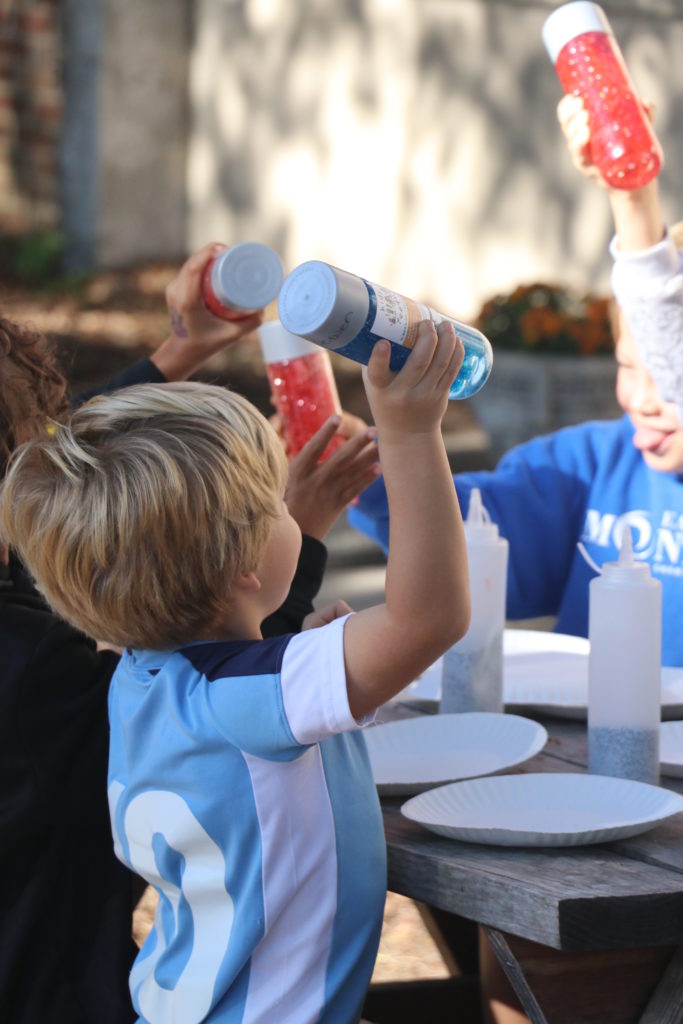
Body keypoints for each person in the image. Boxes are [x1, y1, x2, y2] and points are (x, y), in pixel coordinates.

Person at [0, 320, 470, 1024]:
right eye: (271, 504)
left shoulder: (137, 679)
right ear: (245, 563)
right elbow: (429, 617)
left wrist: (299, 658)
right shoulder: (250, 695)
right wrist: (409, 432)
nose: (289, 514)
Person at [558, 93, 683, 420]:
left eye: (667, 367)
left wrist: (632, 197)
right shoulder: (588, 460)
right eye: (628, 366)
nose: (643, 402)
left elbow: (657, 305)